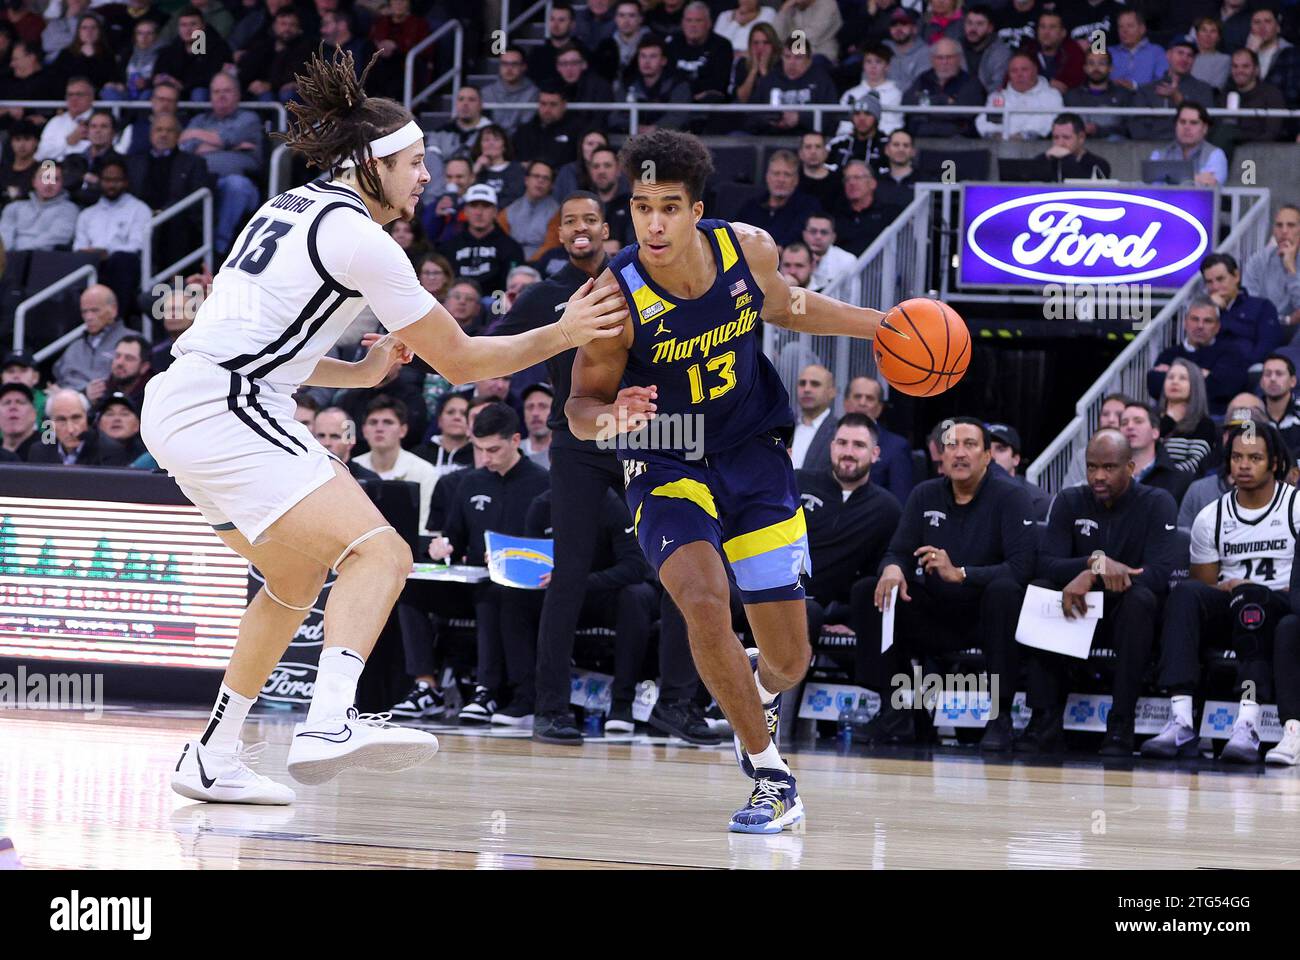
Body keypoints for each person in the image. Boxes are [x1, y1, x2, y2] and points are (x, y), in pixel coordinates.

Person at [139, 47, 631, 806]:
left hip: (194, 397)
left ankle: (214, 752)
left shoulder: (287, 205)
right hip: (224, 407)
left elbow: (254, 349)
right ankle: (330, 720)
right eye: (414, 162)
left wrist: (362, 375)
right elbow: (463, 362)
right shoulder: (360, 237)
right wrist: (563, 333)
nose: (427, 176)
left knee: (294, 577)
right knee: (383, 553)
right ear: (371, 165)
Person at [566, 128, 889, 833]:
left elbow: (786, 304)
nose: (653, 223)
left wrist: (881, 326)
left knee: (791, 658)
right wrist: (610, 415)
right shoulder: (612, 300)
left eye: (670, 207)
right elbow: (576, 412)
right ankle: (772, 776)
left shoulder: (750, 250)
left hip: (751, 450)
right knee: (703, 600)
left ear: (698, 209)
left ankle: (755, 687)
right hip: (665, 457)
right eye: (641, 206)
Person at [489, 190, 713, 745]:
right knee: (568, 573)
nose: (581, 228)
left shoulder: (640, 278)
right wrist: (413, 347)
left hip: (654, 436)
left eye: (591, 218)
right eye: (570, 222)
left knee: (682, 567)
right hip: (580, 442)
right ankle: (551, 707)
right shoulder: (545, 296)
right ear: (559, 234)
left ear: (607, 227)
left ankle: (676, 704)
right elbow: (492, 343)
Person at [849, 419, 1035, 750]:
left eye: (970, 445)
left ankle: (1001, 716)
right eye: (951, 445)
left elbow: (1021, 569)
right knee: (870, 589)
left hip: (986, 616)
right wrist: (893, 568)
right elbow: (898, 551)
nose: (959, 453)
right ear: (941, 455)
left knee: (1004, 591)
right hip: (936, 612)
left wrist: (961, 573)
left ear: (988, 455)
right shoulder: (925, 494)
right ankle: (898, 708)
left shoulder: (1011, 497)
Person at [1141, 421, 1298, 763]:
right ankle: (1181, 719)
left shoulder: (1295, 506)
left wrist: (1252, 589)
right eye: (1237, 457)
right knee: (1185, 593)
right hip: (1235, 607)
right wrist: (1228, 588)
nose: (1243, 465)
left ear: (1273, 463)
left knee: (1252, 599)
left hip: (1283, 608)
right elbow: (1206, 583)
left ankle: (1248, 724)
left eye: (1254, 457)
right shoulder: (1211, 516)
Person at [1024, 428, 1180, 755]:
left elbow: (1159, 574)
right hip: (1078, 612)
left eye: (1108, 468)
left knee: (1140, 600)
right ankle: (1044, 720)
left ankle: (1121, 725)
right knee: (1040, 590)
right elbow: (1046, 564)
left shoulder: (1157, 503)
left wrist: (1092, 575)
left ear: (1130, 468)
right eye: (1092, 466)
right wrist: (1095, 565)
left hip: (1128, 616)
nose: (1098, 476)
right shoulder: (1069, 500)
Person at [430, 402, 552, 727]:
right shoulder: (469, 482)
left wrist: (509, 554)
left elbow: (552, 544)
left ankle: (490, 690)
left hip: (523, 583)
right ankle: (423, 685)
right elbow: (453, 536)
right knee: (409, 592)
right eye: (479, 449)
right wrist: (442, 545)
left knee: (495, 594)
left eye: (494, 449)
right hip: (471, 578)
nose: (486, 458)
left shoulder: (544, 483)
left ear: (516, 440)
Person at [798, 413, 902, 646]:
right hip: (771, 593)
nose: (848, 452)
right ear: (832, 446)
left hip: (822, 609)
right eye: (842, 443)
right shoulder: (796, 483)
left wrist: (852, 620)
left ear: (875, 454)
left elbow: (880, 568)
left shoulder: (886, 508)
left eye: (859, 445)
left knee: (807, 614)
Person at [179, 71, 265, 257]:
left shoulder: (248, 118)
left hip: (241, 186)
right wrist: (229, 146)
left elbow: (228, 137)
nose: (221, 96)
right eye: (216, 92)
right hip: (202, 183)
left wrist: (200, 137)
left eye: (227, 91)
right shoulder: (200, 120)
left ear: (237, 94)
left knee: (236, 185)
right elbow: (185, 146)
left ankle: (218, 248)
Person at [352, 396, 439, 536]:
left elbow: (424, 525)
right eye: (373, 422)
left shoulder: (425, 471)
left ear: (403, 430)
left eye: (388, 422)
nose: (379, 428)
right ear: (364, 431)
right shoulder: (350, 470)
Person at [1147, 298, 1249, 416]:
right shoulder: (1169, 354)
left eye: (1207, 321)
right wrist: (1204, 376)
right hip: (1172, 419)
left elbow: (1226, 387)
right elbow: (1154, 386)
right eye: (1195, 319)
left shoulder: (1232, 354)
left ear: (1217, 327)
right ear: (1185, 323)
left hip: (1214, 418)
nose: (1200, 326)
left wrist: (1173, 375)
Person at [1202, 251, 1283, 364]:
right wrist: (1211, 309)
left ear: (1236, 276)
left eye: (1220, 279)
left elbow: (1267, 349)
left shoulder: (1262, 307)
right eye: (1209, 282)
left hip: (1245, 370)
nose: (1215, 287)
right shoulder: (1204, 310)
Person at [901, 37, 985, 138]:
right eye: (939, 57)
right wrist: (942, 100)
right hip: (922, 140)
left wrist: (926, 109)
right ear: (932, 59)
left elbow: (964, 114)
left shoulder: (971, 82)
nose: (944, 62)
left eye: (949, 57)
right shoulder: (923, 78)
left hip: (958, 142)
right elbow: (907, 103)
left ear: (959, 58)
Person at [1131, 46, 1218, 143]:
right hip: (1152, 146)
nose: (1184, 59)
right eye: (1180, 53)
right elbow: (1137, 125)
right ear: (1168, 55)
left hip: (1191, 146)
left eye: (1190, 56)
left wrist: (1179, 99)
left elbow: (1208, 124)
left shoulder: (1203, 89)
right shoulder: (1147, 89)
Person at [52, 285, 132, 392]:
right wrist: (83, 391)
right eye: (84, 312)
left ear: (113, 309)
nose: (89, 317)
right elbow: (59, 381)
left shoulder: (132, 342)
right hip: (71, 403)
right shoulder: (75, 347)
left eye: (95, 310)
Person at [736, 150, 821, 249]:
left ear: (796, 180)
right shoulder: (750, 206)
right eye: (776, 174)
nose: (781, 180)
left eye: (787, 175)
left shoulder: (809, 207)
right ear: (767, 177)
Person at [1120, 400, 1194, 505]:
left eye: (1138, 421)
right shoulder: (1111, 476)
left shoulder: (1181, 480)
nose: (1130, 426)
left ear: (1155, 432)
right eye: (1124, 423)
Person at [26, 386, 124, 465]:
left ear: (88, 418)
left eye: (76, 418)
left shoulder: (107, 451)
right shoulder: (38, 452)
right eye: (61, 420)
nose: (71, 429)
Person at [976, 52, 1062, 141]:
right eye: (1014, 71)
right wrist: (996, 134)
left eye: (1024, 70)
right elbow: (985, 121)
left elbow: (1049, 121)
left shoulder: (1051, 95)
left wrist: (1023, 135)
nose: (1019, 75)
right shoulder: (998, 97)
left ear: (1035, 70)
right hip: (1000, 148)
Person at [1157, 357, 1220, 475]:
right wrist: (1168, 420)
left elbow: (1195, 463)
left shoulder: (1204, 424)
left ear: (1195, 386)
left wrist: (1164, 479)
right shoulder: (1152, 419)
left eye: (1183, 378)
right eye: (1170, 377)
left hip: (1180, 486)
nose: (1174, 382)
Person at [1243, 204, 1300, 330]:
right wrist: (1286, 320)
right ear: (1274, 230)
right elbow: (1251, 306)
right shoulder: (1258, 260)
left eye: (1291, 225)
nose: (1284, 231)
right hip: (1265, 327)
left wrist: (1291, 269)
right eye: (1279, 225)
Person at [0, 162, 78, 251]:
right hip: (9, 258)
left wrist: (20, 253)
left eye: (55, 179)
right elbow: (4, 236)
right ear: (34, 182)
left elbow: (56, 238)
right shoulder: (13, 207)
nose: (49, 184)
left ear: (62, 183)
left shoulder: (69, 210)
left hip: (44, 260)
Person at [1063, 48, 1133, 140]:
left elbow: (1129, 128)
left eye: (1101, 63)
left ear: (1110, 68)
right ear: (1085, 68)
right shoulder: (1072, 96)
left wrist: (1099, 130)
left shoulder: (1123, 94)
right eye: (1091, 63)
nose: (1096, 68)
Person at [833, 160, 900, 256]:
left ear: (872, 183)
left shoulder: (890, 214)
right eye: (847, 179)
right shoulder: (836, 216)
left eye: (857, 178)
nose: (851, 183)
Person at [985, 422, 1051, 518]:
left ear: (1016, 459)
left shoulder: (1037, 501)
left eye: (1000, 449)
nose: (991, 456)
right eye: (986, 449)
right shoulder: (965, 494)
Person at [836, 47, 903, 136]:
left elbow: (894, 125)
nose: (873, 66)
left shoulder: (896, 94)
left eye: (878, 62)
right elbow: (844, 126)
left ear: (887, 66)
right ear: (863, 65)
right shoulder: (850, 93)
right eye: (868, 61)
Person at [478, 45, 537, 135]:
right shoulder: (486, 93)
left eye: (514, 64)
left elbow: (527, 128)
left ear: (524, 67)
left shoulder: (534, 93)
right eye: (504, 64)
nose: (509, 69)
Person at [34, 76, 93, 163]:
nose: (74, 99)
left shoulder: (100, 121)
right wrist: (67, 142)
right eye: (70, 95)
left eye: (79, 94)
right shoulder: (56, 122)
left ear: (91, 97)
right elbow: (40, 155)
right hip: (56, 170)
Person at [790, 363, 836, 470]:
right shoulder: (780, 426)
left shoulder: (839, 432)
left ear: (832, 392)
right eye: (802, 383)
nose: (806, 389)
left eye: (815, 384)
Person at [1040, 112, 1111, 180]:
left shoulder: (1098, 165)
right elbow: (1029, 173)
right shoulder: (1049, 160)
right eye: (1056, 137)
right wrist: (1044, 157)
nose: (1060, 143)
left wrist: (1067, 158)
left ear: (1081, 137)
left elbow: (1085, 187)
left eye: (1066, 137)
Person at [961, 4, 1012, 94]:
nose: (973, 28)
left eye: (979, 24)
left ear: (990, 28)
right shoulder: (956, 48)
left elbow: (998, 85)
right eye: (969, 23)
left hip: (988, 104)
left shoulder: (1001, 53)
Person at [1260, 353, 1300, 456]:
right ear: (1261, 382)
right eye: (1267, 374)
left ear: (1293, 381)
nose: (1272, 379)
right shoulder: (1252, 414)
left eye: (1279, 374)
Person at [0, 381, 38, 460]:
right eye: (6, 403)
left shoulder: (47, 450)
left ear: (34, 414)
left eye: (20, 402)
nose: (13, 407)